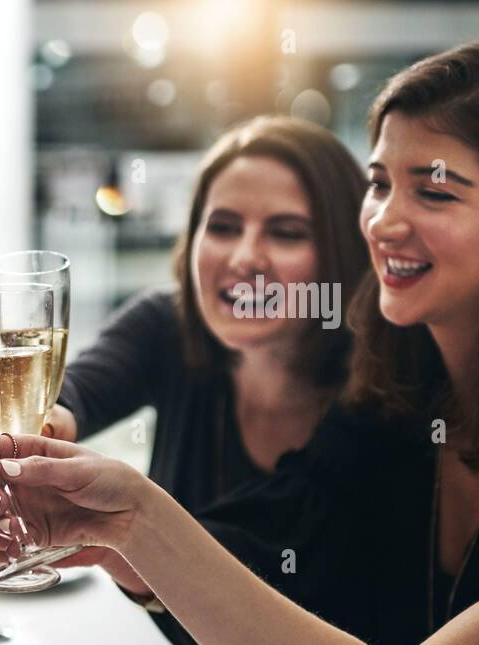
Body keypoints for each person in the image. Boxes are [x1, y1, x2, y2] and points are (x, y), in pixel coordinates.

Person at [0, 42, 479, 645]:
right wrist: (114, 528)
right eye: (379, 183)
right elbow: (271, 534)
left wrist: (135, 523)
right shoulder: (404, 394)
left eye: (433, 190)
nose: (385, 221)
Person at [36, 116, 368, 602]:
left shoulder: (381, 391)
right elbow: (73, 393)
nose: (245, 258)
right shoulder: (168, 325)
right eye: (224, 227)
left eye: (287, 232)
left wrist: (129, 543)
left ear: (342, 251)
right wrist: (45, 426)